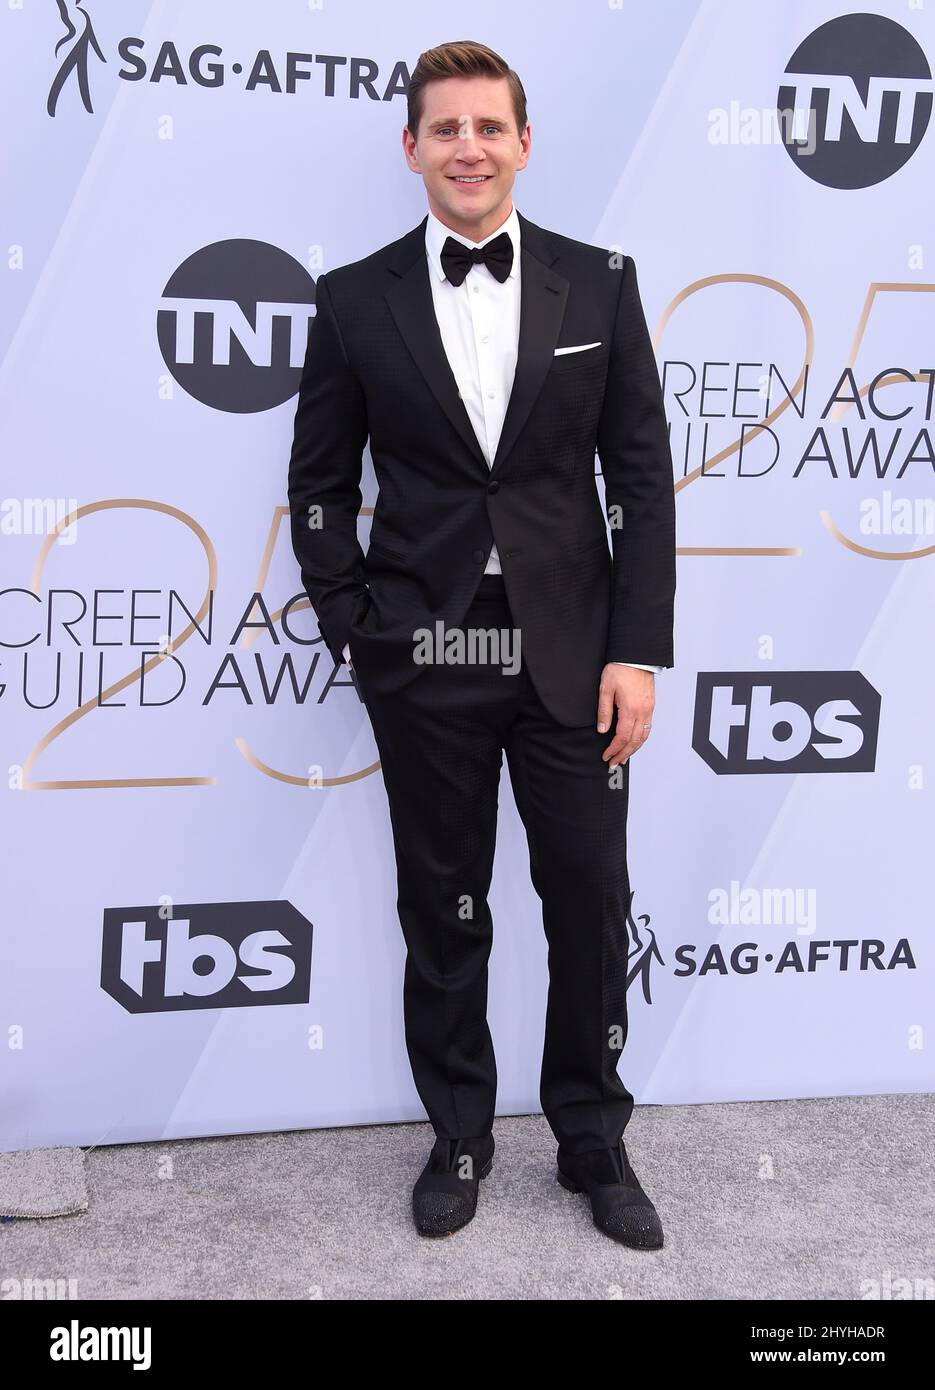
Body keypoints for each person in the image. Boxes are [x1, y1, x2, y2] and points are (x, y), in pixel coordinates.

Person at [288, 39, 676, 1249]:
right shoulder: (353, 297)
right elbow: (315, 485)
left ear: (522, 143)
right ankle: (456, 1135)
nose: (467, 148)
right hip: (430, 655)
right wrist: (362, 631)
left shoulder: (600, 283)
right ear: (410, 147)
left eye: (487, 128)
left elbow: (642, 481)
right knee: (444, 910)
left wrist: (637, 649)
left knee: (587, 903)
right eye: (443, 128)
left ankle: (592, 1142)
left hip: (571, 653)